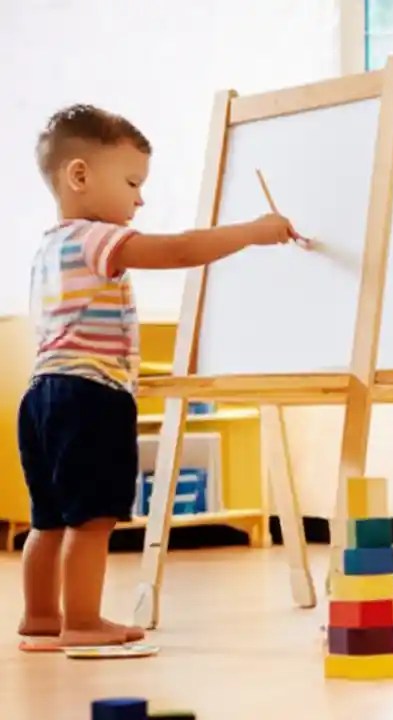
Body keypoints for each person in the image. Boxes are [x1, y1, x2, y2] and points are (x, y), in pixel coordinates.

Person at [18, 104, 304, 646]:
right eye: (131, 182)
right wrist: (252, 232)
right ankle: (81, 622)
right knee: (92, 519)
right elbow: (175, 250)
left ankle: (40, 619)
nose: (140, 198)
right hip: (88, 394)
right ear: (79, 176)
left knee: (48, 520)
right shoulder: (96, 238)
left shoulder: (49, 246)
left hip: (41, 396)